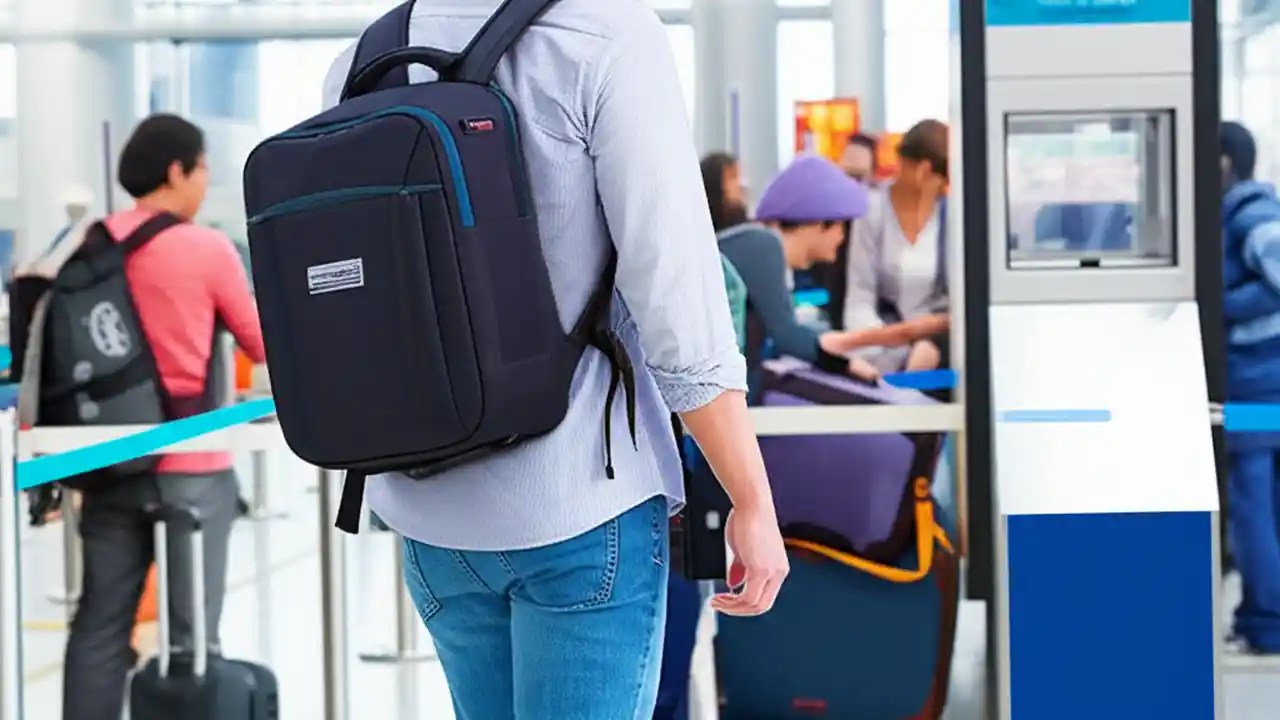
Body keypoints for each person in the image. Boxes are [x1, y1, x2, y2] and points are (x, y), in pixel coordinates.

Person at [321, 2, 789, 718]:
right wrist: (749, 498)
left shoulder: (366, 56)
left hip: (427, 513)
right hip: (578, 502)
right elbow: (675, 294)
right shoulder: (605, 35)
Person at [62, 114, 266, 720]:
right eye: (202, 167)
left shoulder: (88, 242)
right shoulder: (204, 246)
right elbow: (261, 344)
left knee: (99, 626)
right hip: (192, 465)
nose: (205, 181)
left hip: (107, 461)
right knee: (191, 637)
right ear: (178, 170)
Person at [716, 154, 877, 396]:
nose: (842, 238)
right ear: (818, 223)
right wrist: (846, 364)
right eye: (841, 227)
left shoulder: (762, 246)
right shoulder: (765, 245)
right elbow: (786, 335)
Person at [1220, 120, 1280, 655]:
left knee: (1252, 508)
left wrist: (1226, 307)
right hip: (1264, 385)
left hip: (1258, 388)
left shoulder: (1250, 213)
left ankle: (1266, 623)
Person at [841, 119, 952, 374]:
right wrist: (891, 357)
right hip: (881, 350)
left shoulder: (951, 216)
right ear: (924, 171)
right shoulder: (871, 211)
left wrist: (932, 344)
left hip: (938, 350)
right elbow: (859, 299)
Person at [700, 152, 751, 232]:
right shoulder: (700, 234)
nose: (741, 185)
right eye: (733, 177)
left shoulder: (751, 233)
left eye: (740, 177)